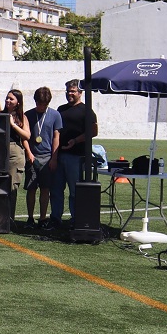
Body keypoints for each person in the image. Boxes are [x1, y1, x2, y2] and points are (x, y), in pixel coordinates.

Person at [55, 80, 98, 228]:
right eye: (68, 91)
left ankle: (76, 219)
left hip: (76, 157)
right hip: (59, 155)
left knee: (75, 191)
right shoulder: (60, 109)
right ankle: (55, 218)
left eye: (73, 91)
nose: (70, 94)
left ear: (80, 93)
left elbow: (93, 131)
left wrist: (75, 140)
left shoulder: (86, 111)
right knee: (56, 190)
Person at [25, 87, 63, 228]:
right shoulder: (28, 114)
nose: (41, 107)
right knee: (31, 189)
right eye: (39, 104)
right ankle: (30, 218)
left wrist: (54, 158)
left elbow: (56, 137)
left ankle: (42, 218)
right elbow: (25, 137)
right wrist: (28, 153)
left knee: (45, 189)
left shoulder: (55, 115)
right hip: (32, 157)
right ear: (35, 101)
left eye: (44, 104)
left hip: (47, 157)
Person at [4, 89, 32, 218]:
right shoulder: (1, 113)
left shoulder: (22, 117)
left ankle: (9, 218)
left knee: (11, 187)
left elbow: (27, 135)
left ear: (18, 102)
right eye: (7, 98)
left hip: (15, 153)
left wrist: (13, 125)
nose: (8, 101)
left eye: (11, 99)